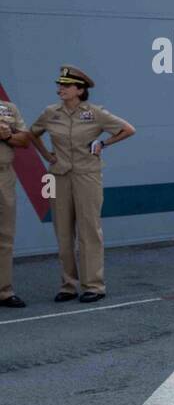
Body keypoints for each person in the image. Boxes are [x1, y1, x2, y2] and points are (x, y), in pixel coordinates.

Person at [28, 67, 135, 302]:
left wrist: (104, 143)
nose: (60, 89)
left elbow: (128, 129)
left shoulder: (95, 113)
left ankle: (93, 286)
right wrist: (47, 155)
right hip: (57, 177)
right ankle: (68, 285)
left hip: (88, 175)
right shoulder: (50, 113)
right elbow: (32, 134)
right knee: (63, 232)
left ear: (80, 90)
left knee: (89, 231)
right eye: (59, 85)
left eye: (66, 86)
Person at [0, 96, 32, 308]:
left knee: (4, 236)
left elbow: (25, 141)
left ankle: (4, 291)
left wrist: (7, 134)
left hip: (3, 176)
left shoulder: (9, 109)